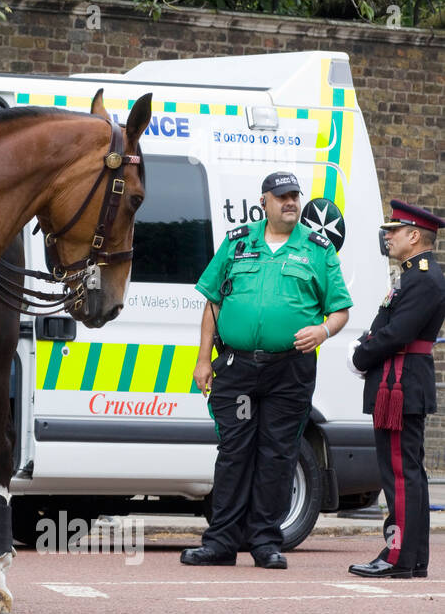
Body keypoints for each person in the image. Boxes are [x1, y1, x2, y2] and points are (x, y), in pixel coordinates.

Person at [183, 171, 352, 568]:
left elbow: (341, 308)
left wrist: (324, 330)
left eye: (295, 195)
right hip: (238, 368)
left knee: (277, 454)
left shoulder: (317, 249)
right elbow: (211, 303)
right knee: (234, 452)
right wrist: (202, 359)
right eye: (282, 197)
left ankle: (264, 542)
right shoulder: (238, 242)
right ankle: (221, 543)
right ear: (265, 202)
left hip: (288, 372)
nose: (291, 202)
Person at [347, 200, 445, 578]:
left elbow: (398, 332)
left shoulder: (423, 278)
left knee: (400, 475)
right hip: (398, 379)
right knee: (407, 473)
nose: (387, 236)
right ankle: (413, 557)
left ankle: (397, 556)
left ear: (415, 235)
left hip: (400, 382)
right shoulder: (411, 274)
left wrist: (361, 357)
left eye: (395, 230)